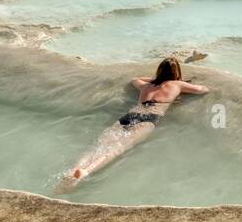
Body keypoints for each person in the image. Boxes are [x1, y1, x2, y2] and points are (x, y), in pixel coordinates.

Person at [57, 55, 210, 191]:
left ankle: (76, 169)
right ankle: (86, 171)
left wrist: (155, 79)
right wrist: (180, 82)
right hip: (150, 117)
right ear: (176, 73)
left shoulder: (146, 85)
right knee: (119, 147)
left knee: (102, 143)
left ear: (159, 71)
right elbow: (203, 89)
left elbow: (134, 79)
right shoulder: (178, 84)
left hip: (131, 114)